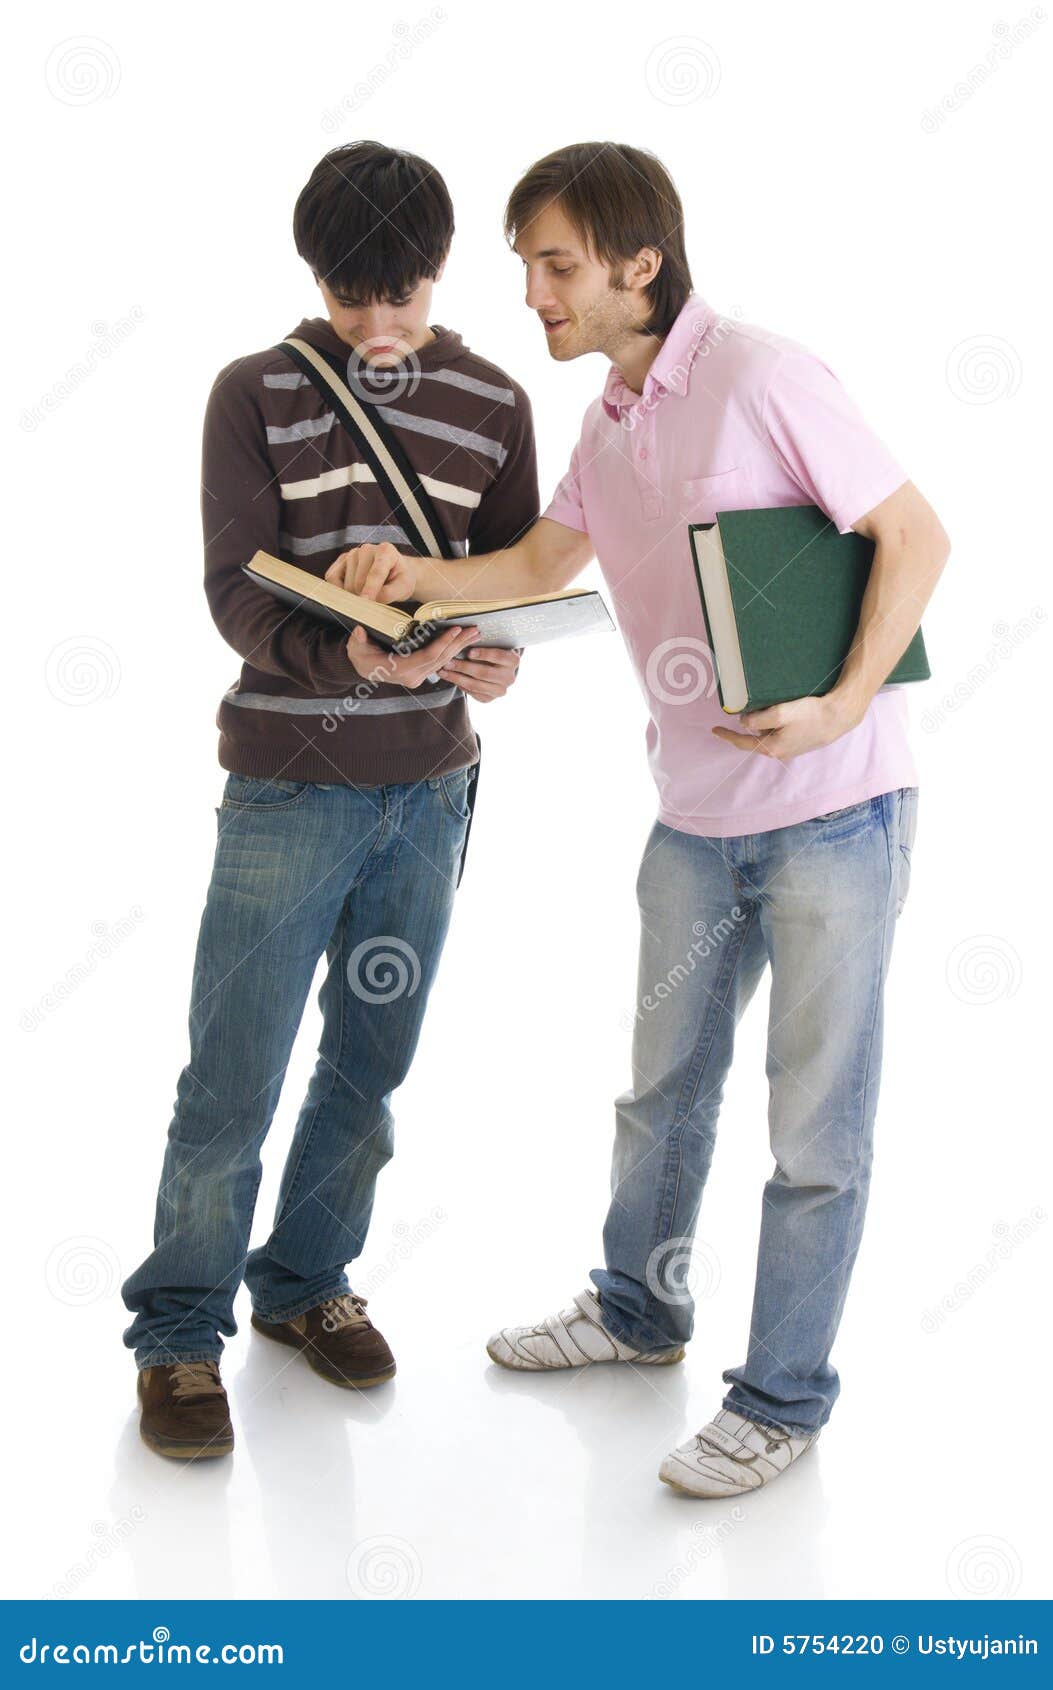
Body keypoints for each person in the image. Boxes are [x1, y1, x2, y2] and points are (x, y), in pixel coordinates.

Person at [329, 141, 950, 1499]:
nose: (536, 296)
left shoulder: (765, 374)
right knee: (664, 1092)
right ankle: (635, 1308)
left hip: (836, 812)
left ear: (638, 265)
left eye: (558, 267)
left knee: (817, 1130)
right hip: (694, 817)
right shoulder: (611, 418)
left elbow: (916, 536)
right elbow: (546, 564)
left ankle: (781, 1399)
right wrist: (406, 573)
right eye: (526, 270)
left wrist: (844, 704)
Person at [121, 141, 539, 1460]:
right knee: (232, 1069)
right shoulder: (251, 392)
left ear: (438, 270)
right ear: (313, 275)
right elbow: (234, 589)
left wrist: (494, 652)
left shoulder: (493, 400)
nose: (377, 323)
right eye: (352, 294)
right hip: (287, 785)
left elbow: (512, 584)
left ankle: (305, 1283)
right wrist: (340, 649)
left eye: (400, 293)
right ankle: (181, 1331)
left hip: (433, 790)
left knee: (372, 1059)